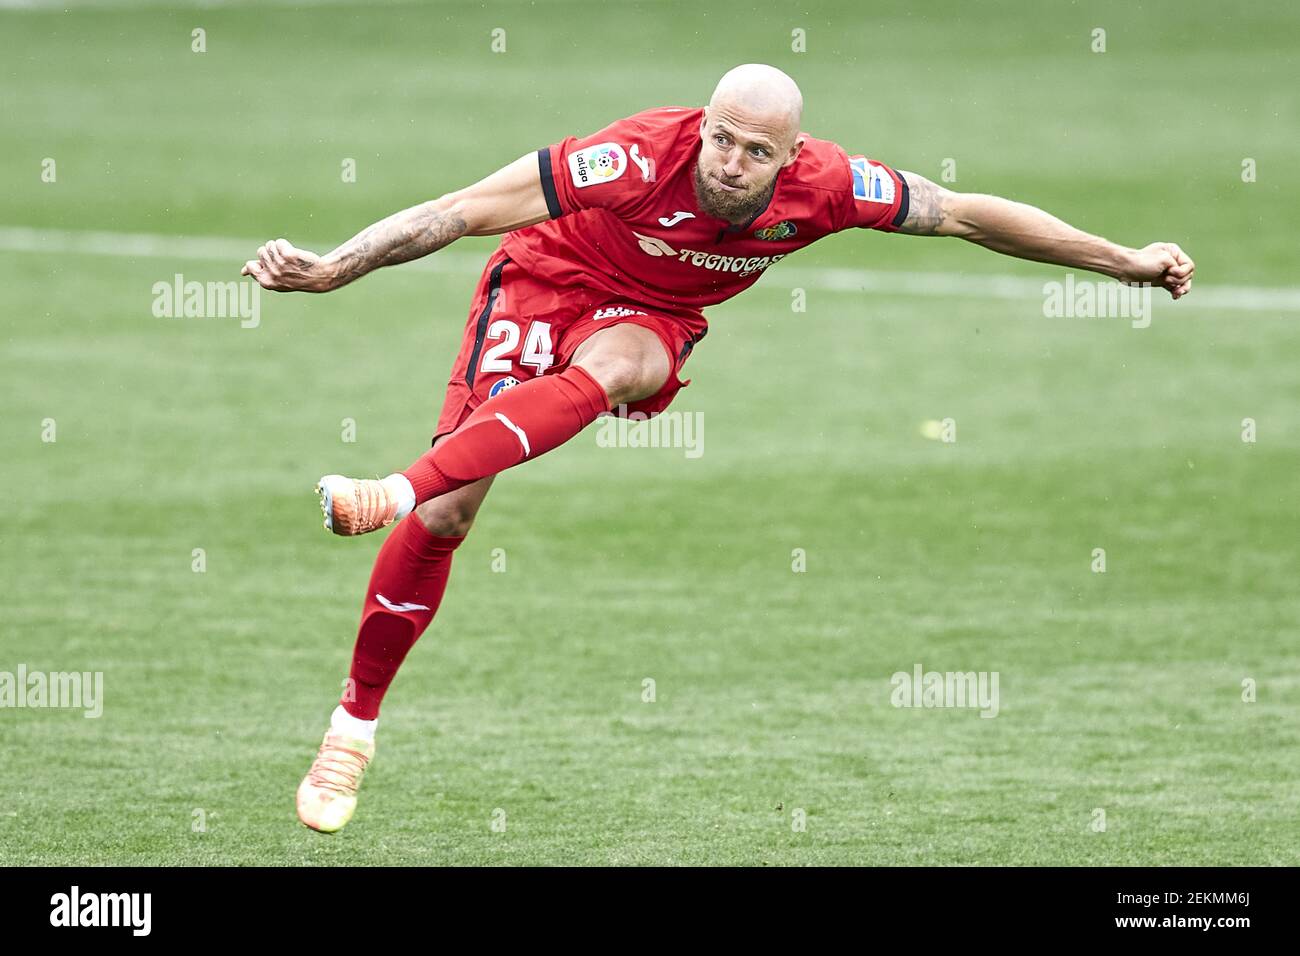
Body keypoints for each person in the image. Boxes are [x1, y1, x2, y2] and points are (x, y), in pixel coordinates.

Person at [242, 63, 1195, 833]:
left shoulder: (831, 186)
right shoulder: (627, 159)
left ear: (790, 156)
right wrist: (335, 268)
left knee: (619, 367)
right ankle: (353, 726)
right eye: (723, 140)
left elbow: (967, 212)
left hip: (650, 320)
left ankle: (391, 491)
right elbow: (463, 209)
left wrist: (1126, 260)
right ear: (703, 127)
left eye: (757, 152)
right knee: (453, 513)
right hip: (543, 279)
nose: (733, 164)